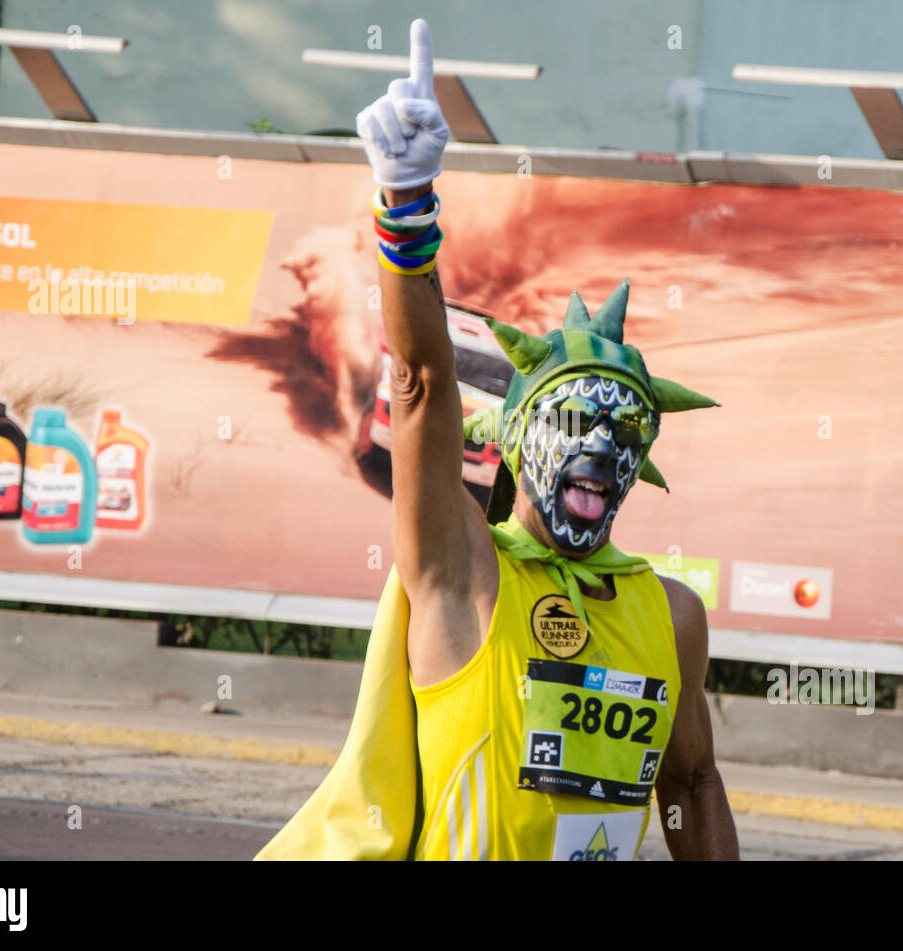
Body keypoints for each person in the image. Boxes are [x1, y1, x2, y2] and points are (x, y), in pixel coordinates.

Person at [257, 18, 738, 861]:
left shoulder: (672, 614)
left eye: (625, 425)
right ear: (516, 441)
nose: (600, 442)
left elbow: (690, 785)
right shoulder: (465, 572)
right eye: (574, 418)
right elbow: (422, 385)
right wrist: (406, 209)